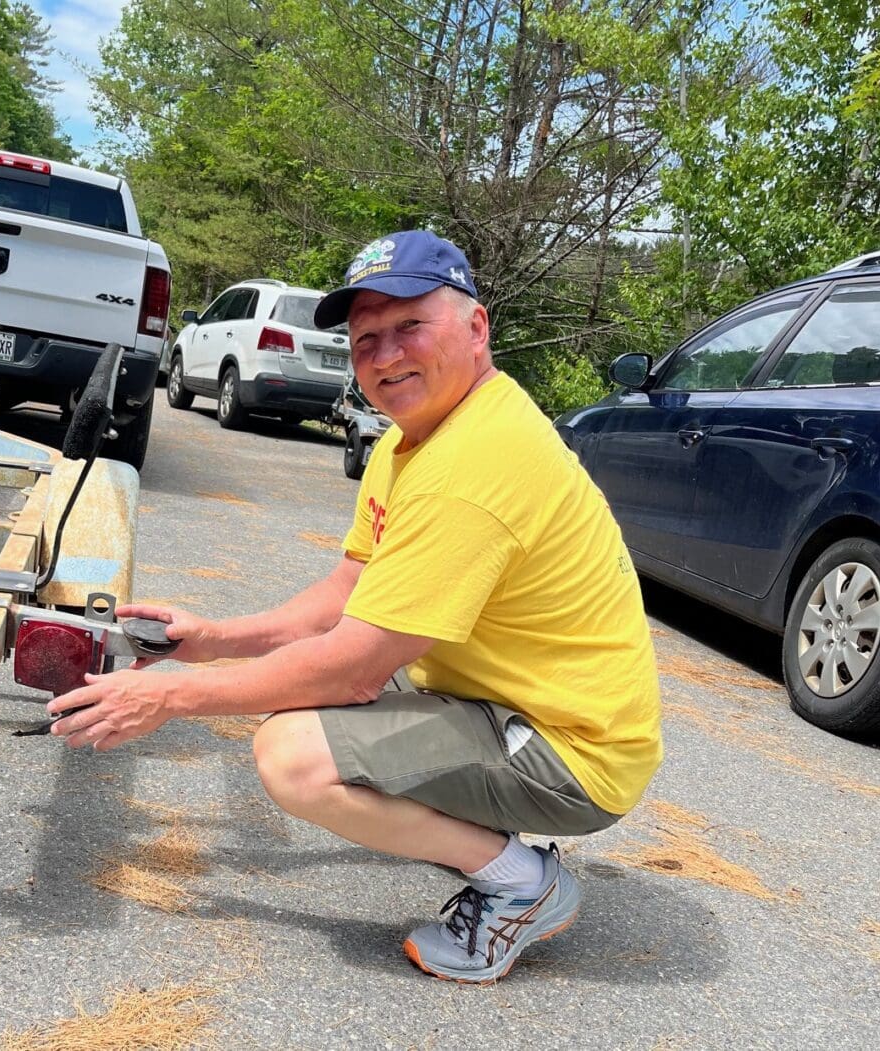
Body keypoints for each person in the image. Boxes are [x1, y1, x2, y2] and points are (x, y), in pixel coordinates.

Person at [46, 230, 663, 984]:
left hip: (573, 751)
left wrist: (171, 694)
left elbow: (357, 665)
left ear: (476, 327)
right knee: (304, 718)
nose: (386, 353)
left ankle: (523, 883)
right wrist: (209, 639)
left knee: (293, 758)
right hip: (503, 696)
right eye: (366, 337)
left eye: (410, 325)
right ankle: (480, 829)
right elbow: (346, 597)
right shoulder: (413, 441)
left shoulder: (478, 461)